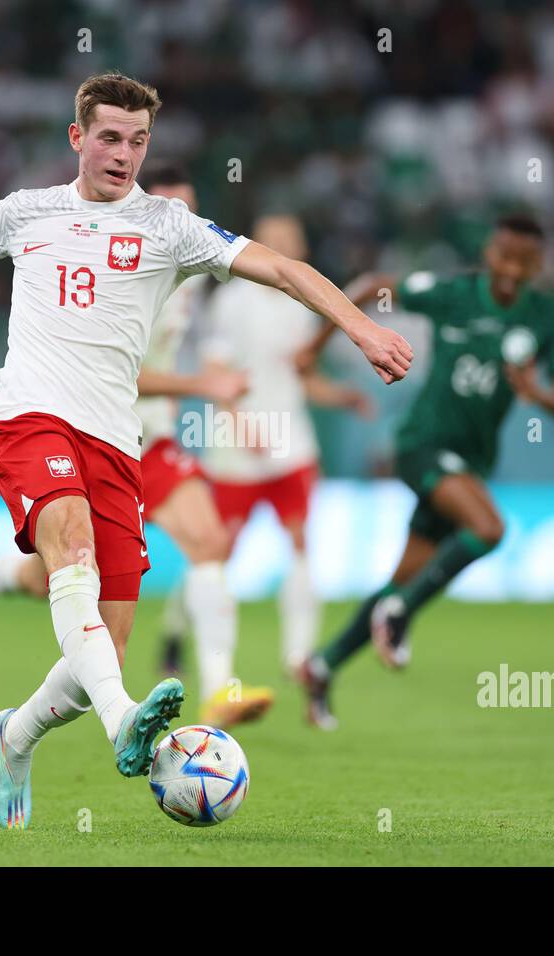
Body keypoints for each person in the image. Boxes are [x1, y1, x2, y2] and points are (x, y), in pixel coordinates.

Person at [0, 73, 413, 828]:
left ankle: (14, 735)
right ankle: (126, 723)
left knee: (99, 644)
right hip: (29, 417)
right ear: (77, 137)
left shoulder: (168, 225)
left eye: (138, 140)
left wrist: (361, 328)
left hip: (117, 441)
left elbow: (282, 269)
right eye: (109, 137)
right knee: (69, 548)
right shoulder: (24, 212)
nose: (123, 154)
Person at [0, 165, 277, 729]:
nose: (177, 221)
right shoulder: (113, 270)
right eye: (169, 205)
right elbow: (123, 375)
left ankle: (220, 688)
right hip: (92, 431)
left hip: (152, 440)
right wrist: (202, 386)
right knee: (55, 575)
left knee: (207, 541)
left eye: (189, 210)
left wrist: (234, 408)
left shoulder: (190, 279)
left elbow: (211, 361)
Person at [297, 214, 554, 729]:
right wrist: (315, 346)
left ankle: (321, 666)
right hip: (421, 446)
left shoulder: (547, 317)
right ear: (490, 253)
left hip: (469, 463)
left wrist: (534, 391)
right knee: (489, 529)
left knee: (403, 578)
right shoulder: (453, 294)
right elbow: (372, 286)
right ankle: (401, 613)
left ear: (538, 265)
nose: (512, 269)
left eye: (524, 261)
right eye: (504, 256)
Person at [187, 213, 373, 676]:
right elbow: (215, 373)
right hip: (236, 451)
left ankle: (299, 655)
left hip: (291, 444)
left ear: (302, 250)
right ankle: (188, 643)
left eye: (287, 241)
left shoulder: (301, 308)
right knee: (215, 550)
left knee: (299, 542)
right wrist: (239, 422)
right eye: (269, 241)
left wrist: (341, 397)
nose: (278, 249)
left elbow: (302, 379)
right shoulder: (230, 300)